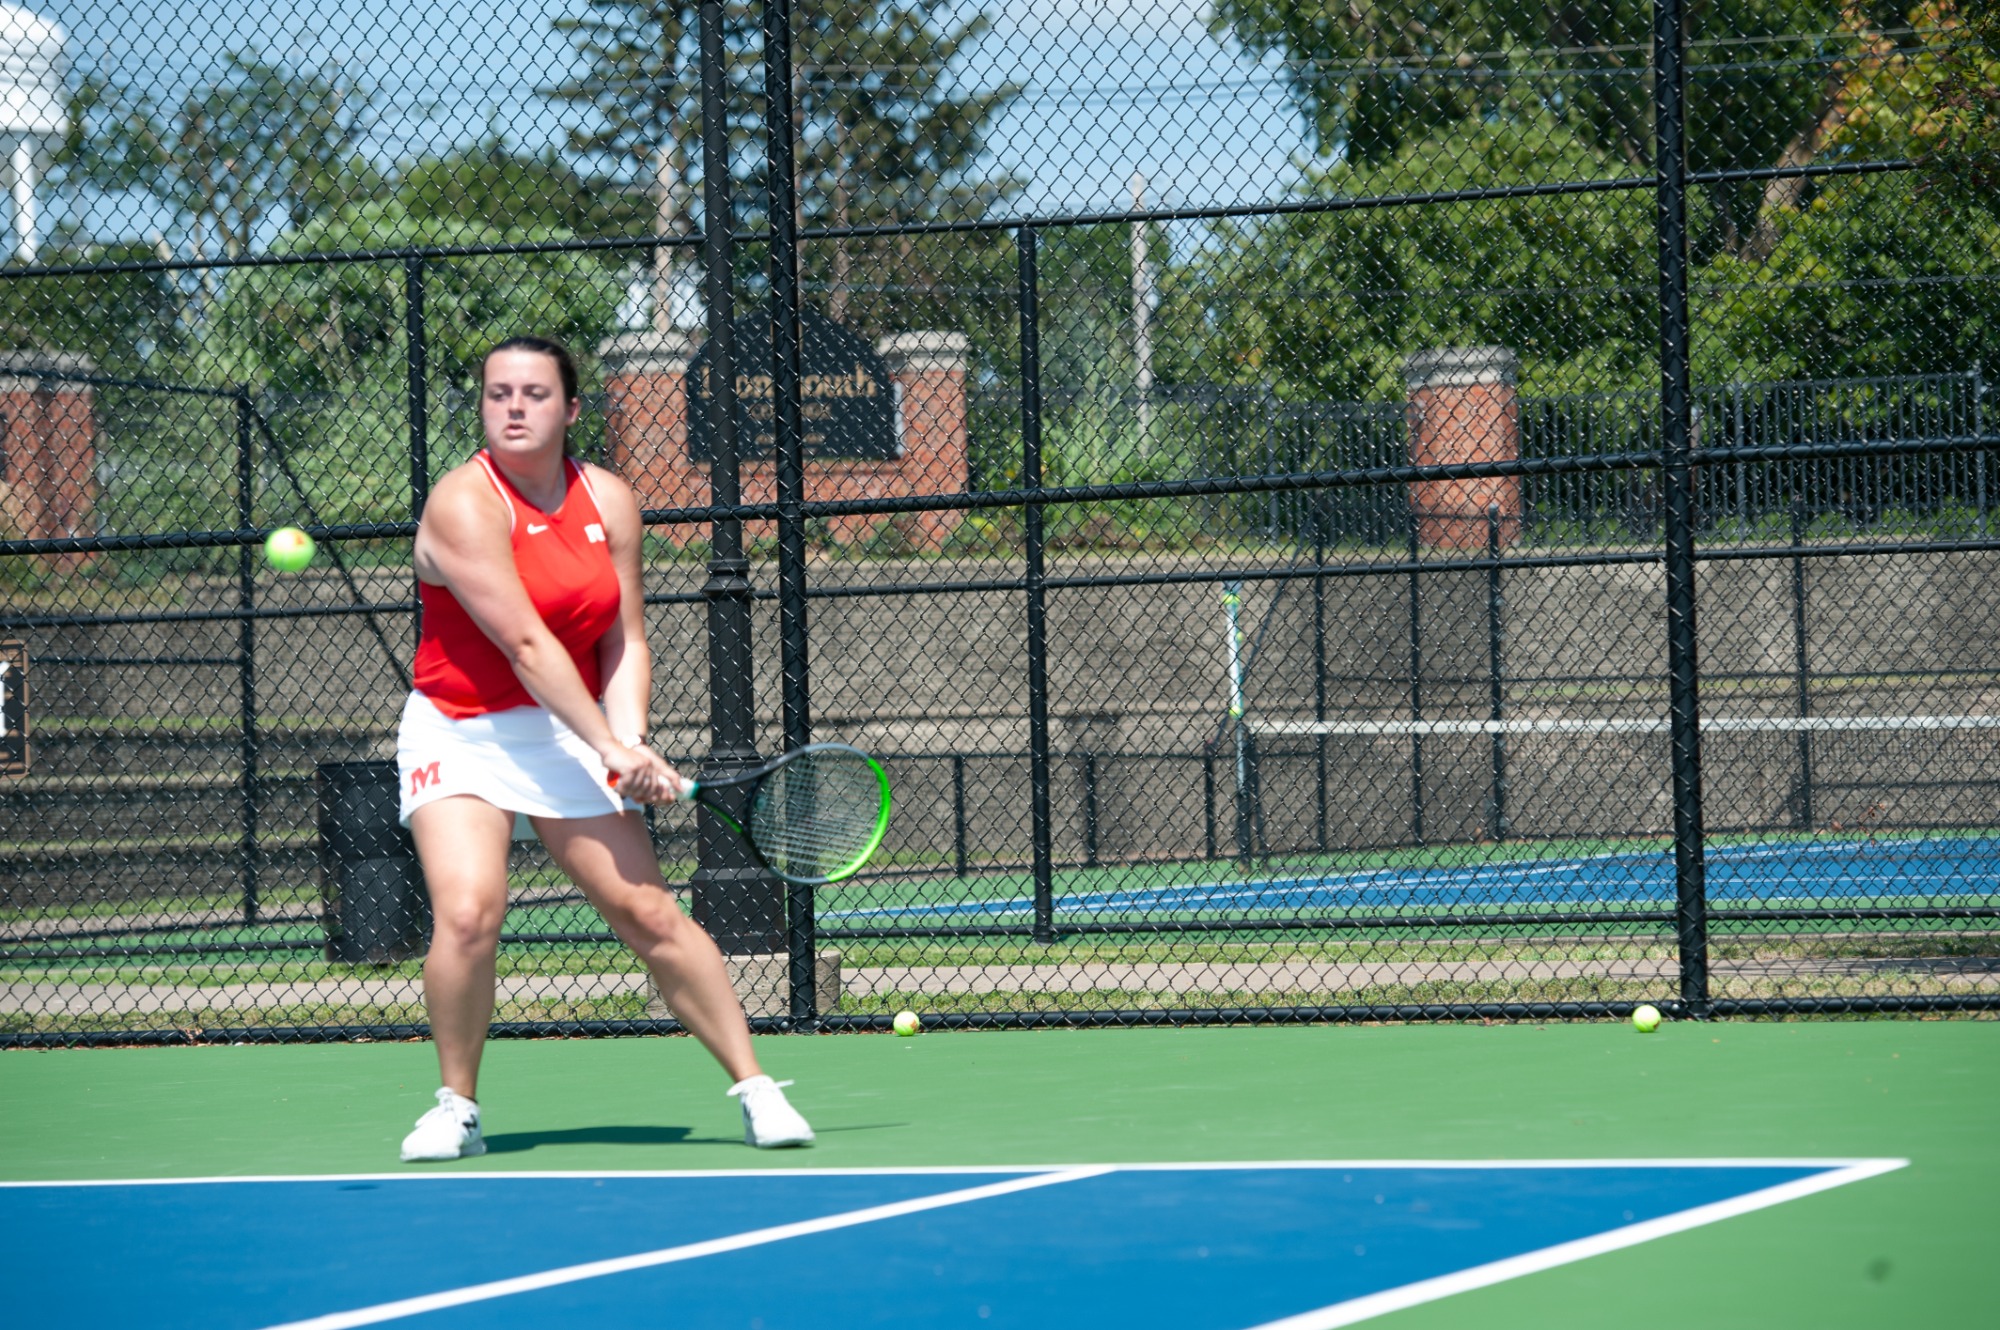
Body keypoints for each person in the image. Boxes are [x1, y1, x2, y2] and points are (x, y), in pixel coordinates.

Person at [394, 335, 812, 1160]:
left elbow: (623, 639)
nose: (514, 408)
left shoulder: (609, 499)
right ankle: (456, 1107)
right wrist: (608, 745)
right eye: (499, 394)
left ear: (572, 409)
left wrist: (630, 739)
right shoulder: (463, 502)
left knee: (648, 913)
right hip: (462, 726)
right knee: (470, 913)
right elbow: (525, 643)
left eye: (535, 394)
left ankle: (757, 1089)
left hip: (568, 725)